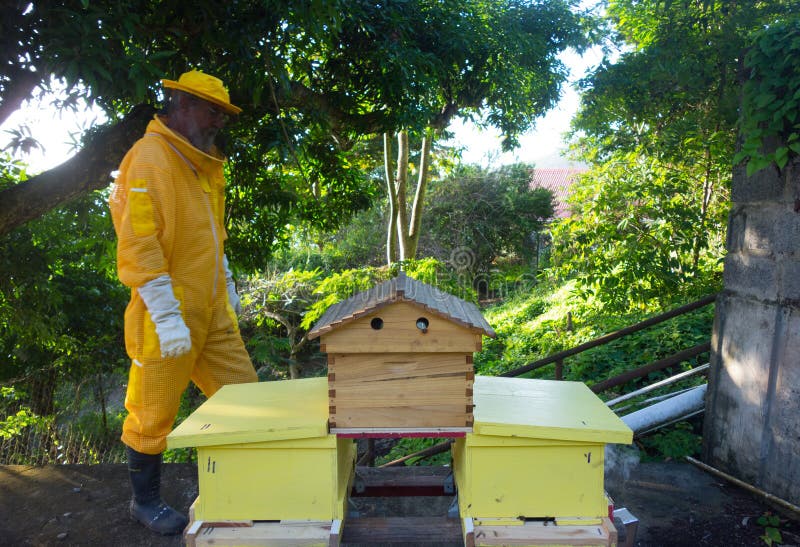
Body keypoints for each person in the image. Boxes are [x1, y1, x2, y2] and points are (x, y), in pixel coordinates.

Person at [108, 69, 258, 535]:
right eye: (212, 110)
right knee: (152, 412)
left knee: (246, 397)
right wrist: (167, 313)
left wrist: (225, 280)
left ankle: (249, 486)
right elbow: (139, 240)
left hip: (211, 311)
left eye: (222, 115)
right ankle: (144, 502)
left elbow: (213, 235)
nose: (218, 122)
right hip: (163, 316)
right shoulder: (149, 158)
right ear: (181, 103)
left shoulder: (204, 165)